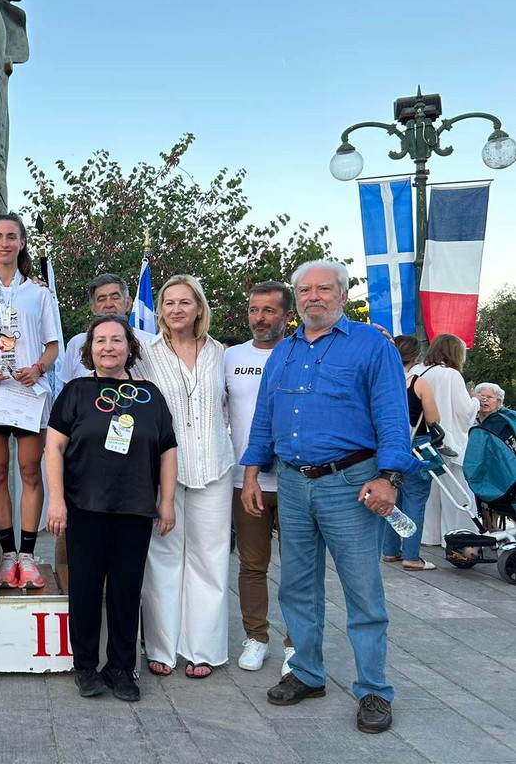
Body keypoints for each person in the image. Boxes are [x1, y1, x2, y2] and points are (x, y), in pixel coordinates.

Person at [241, 259, 420, 734]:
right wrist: (251, 473)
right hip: (294, 484)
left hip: (351, 484)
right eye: (305, 290)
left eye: (324, 289)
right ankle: (307, 672)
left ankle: (375, 691)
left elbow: (391, 415)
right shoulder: (282, 351)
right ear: (295, 299)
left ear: (342, 295)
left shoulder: (370, 346)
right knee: (297, 585)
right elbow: (264, 417)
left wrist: (389, 478)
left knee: (363, 591)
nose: (313, 297)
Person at [45, 315, 178, 702]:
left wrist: (166, 502)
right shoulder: (75, 391)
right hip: (84, 507)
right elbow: (53, 448)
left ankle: (121, 667)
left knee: (126, 591)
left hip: (135, 510)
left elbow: (168, 450)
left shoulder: (150, 395)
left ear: (129, 348)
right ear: (89, 350)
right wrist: (56, 501)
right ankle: (85, 667)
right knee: (84, 590)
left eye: (116, 340)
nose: (108, 347)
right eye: (100, 340)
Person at [134, 274, 233, 679]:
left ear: (199, 309)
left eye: (185, 302)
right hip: (163, 471)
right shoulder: (145, 354)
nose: (176, 309)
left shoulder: (221, 353)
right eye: (169, 302)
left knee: (210, 560)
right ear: (160, 310)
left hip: (215, 465)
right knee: (162, 558)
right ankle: (161, 646)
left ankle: (203, 649)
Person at [0, 213, 59, 588]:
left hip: (28, 395)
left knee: (30, 472)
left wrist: (38, 367)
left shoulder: (38, 293)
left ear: (21, 243)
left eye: (11, 237)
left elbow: (52, 346)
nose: (4, 243)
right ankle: (7, 555)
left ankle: (29, 556)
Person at [224, 281, 295, 674]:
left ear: (287, 315)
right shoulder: (230, 357)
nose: (260, 318)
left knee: (299, 566)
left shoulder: (299, 352)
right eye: (254, 310)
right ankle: (257, 637)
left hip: (295, 481)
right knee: (252, 565)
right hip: (244, 480)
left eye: (269, 311)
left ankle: (296, 643)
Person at [380, 335, 442, 571]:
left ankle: (389, 550)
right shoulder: (417, 383)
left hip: (388, 448)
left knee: (393, 500)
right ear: (415, 357)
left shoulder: (384, 380)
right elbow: (433, 419)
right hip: (417, 447)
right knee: (416, 500)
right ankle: (411, 555)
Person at [410, 334, 479, 544]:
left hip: (421, 440)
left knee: (429, 492)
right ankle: (457, 535)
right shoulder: (451, 375)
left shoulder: (416, 370)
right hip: (447, 439)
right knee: (456, 491)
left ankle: (428, 536)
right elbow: (464, 411)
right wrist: (474, 399)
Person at [59, 274, 134, 384]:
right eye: (102, 299)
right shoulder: (77, 343)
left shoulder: (148, 342)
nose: (108, 304)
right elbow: (67, 387)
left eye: (115, 297)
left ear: (127, 303)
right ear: (93, 308)